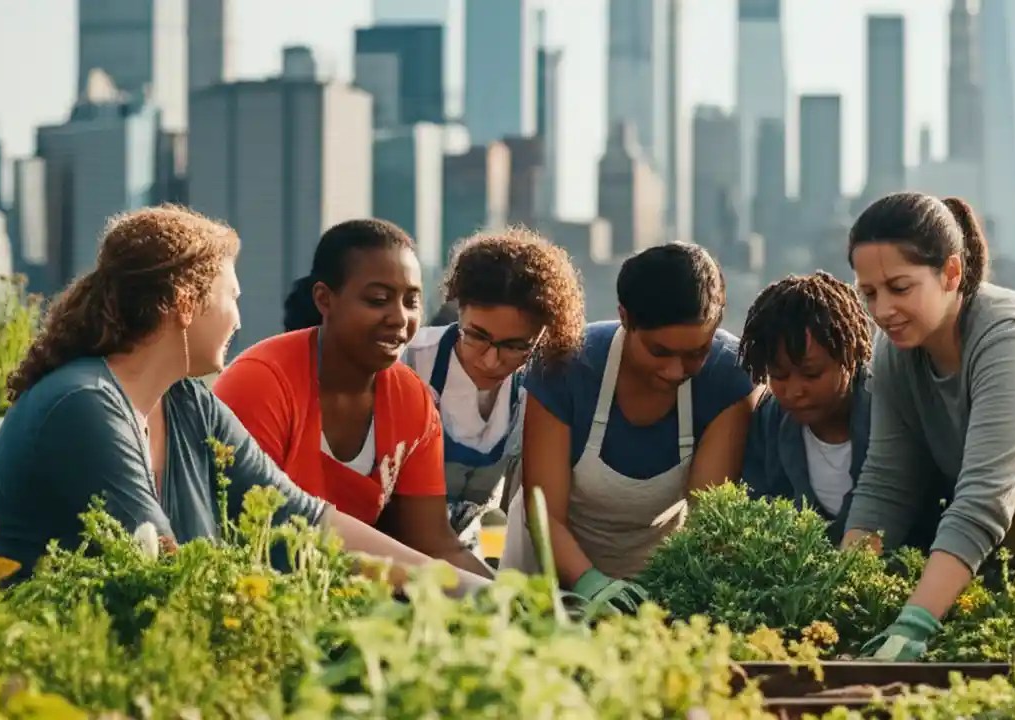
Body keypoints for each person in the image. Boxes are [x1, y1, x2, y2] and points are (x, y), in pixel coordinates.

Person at [0, 206, 488, 594]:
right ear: (184, 304)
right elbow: (157, 573)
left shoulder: (188, 405)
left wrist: (483, 597)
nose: (240, 320)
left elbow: (305, 518)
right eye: (232, 299)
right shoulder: (85, 404)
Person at [840, 192, 1015, 661]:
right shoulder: (893, 351)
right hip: (1009, 537)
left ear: (951, 273)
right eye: (869, 293)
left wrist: (913, 625)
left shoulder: (1009, 340)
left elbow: (982, 499)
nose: (883, 309)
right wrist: (839, 605)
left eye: (900, 287)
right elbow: (884, 486)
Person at [211, 219, 491, 579]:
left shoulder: (413, 399)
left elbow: (434, 544)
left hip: (353, 601)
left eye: (411, 301)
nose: (400, 318)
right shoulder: (261, 383)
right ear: (324, 299)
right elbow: (245, 539)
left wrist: (522, 606)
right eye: (378, 300)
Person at [498, 243, 759, 608]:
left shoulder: (727, 377)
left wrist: (669, 596)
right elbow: (545, 515)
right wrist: (592, 586)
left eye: (696, 353)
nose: (675, 371)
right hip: (545, 568)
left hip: (658, 575)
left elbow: (706, 519)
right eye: (659, 352)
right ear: (625, 317)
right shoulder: (566, 365)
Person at [400, 228, 585, 556]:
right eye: (477, 335)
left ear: (542, 336)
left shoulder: (538, 390)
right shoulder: (411, 363)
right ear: (459, 310)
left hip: (470, 554)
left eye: (516, 346)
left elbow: (503, 516)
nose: (491, 360)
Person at [738, 272, 938, 546]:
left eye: (811, 374)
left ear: (850, 356)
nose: (795, 390)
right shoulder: (768, 423)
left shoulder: (892, 412)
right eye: (779, 376)